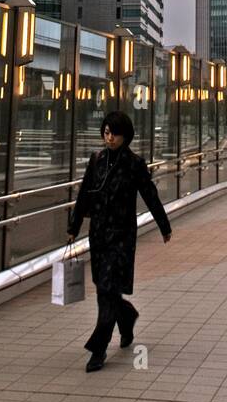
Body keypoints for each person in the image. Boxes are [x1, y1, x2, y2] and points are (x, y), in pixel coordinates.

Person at [67, 110, 172, 372]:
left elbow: (150, 195)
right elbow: (84, 196)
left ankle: (98, 349)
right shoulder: (97, 160)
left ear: (125, 136)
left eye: (114, 133)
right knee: (107, 289)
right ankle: (127, 317)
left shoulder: (134, 164)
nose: (109, 137)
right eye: (106, 132)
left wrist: (164, 225)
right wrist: (74, 225)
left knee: (107, 289)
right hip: (99, 235)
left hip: (122, 237)